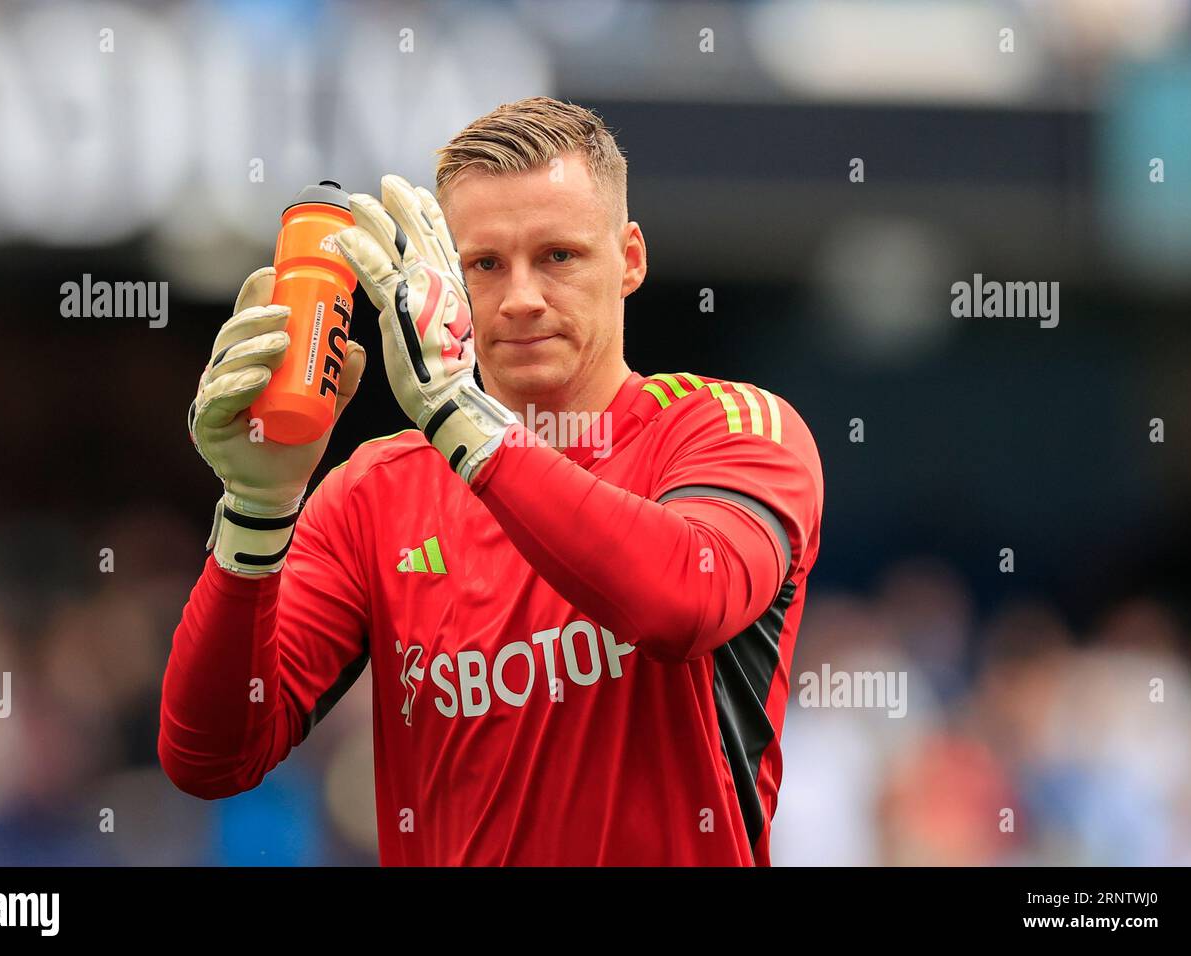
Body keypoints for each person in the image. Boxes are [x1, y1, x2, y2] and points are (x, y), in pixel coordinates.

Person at [160, 96, 824, 866]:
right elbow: (207, 758)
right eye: (485, 264)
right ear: (450, 275)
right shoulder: (375, 493)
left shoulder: (733, 428)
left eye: (559, 256)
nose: (520, 298)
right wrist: (257, 508)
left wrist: (460, 418)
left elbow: (682, 601)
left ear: (630, 258)